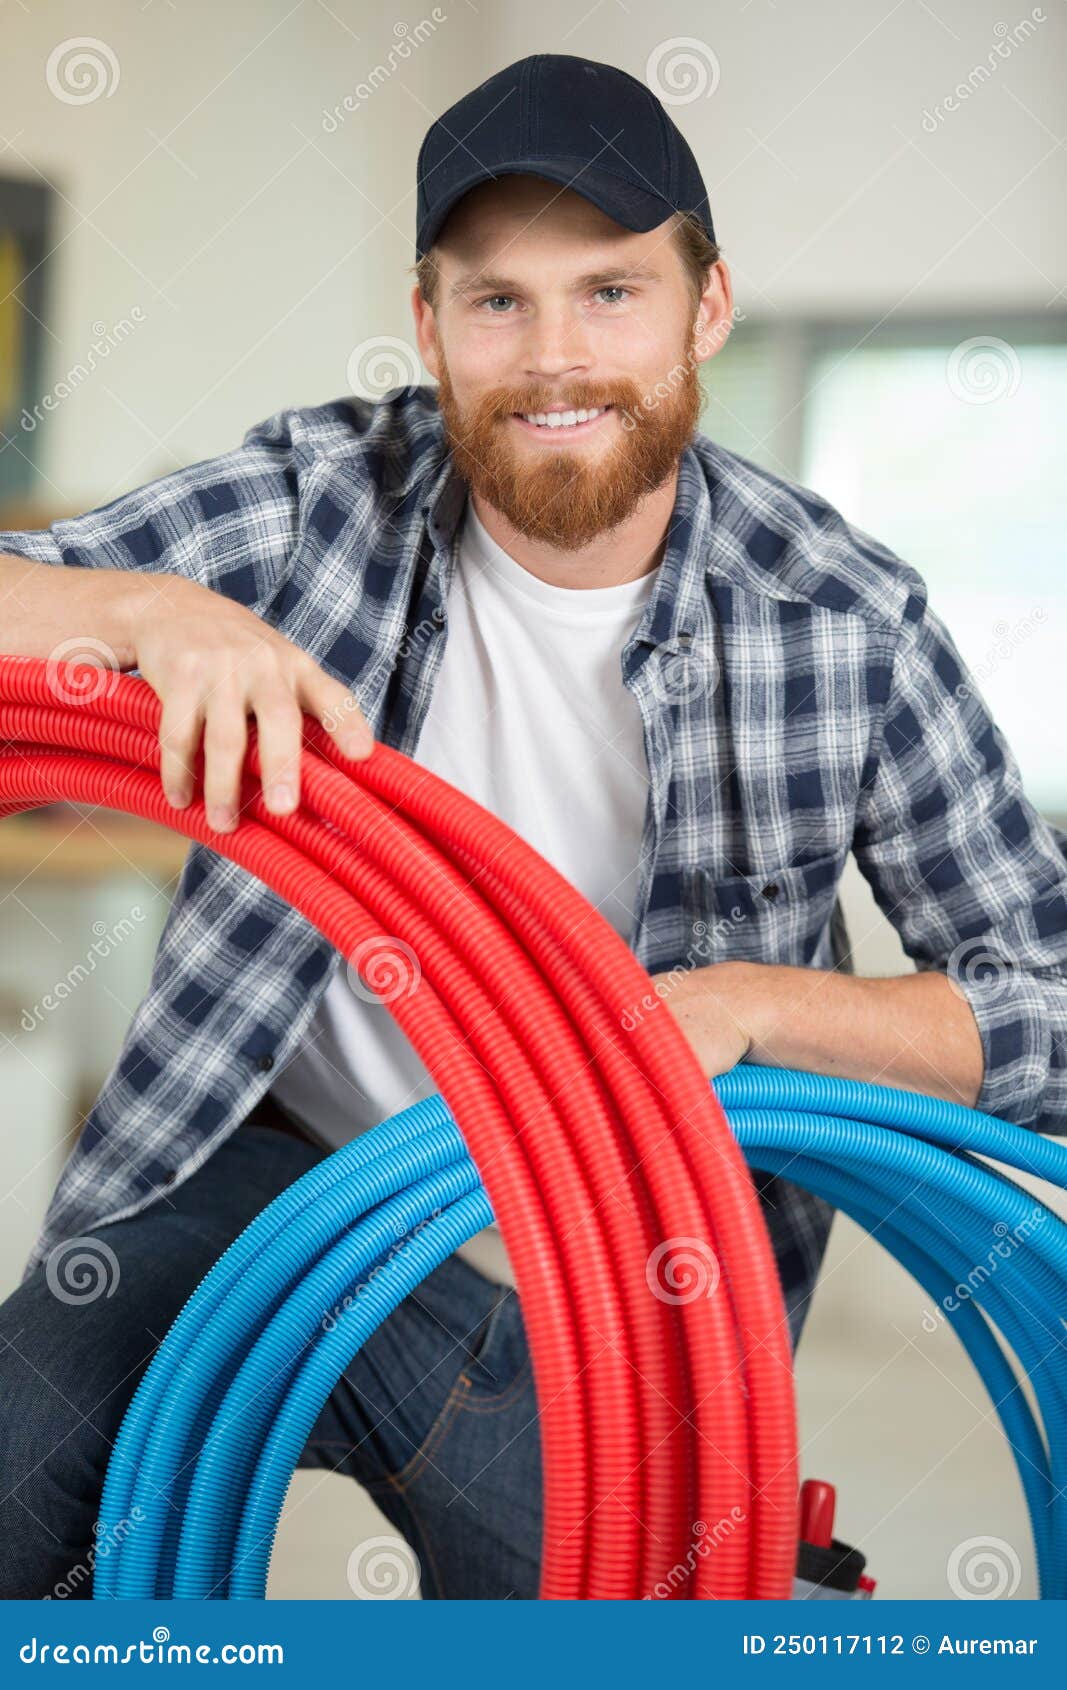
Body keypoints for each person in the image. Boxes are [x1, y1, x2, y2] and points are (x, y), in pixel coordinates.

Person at [1, 52, 1065, 1603]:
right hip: (265, 1191)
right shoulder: (321, 497)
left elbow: (1051, 1000)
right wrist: (137, 609)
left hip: (606, 1281)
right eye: (498, 301)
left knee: (618, 1631)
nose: (556, 357)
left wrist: (754, 1008)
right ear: (428, 326)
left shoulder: (844, 618)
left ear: (706, 309)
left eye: (612, 293)